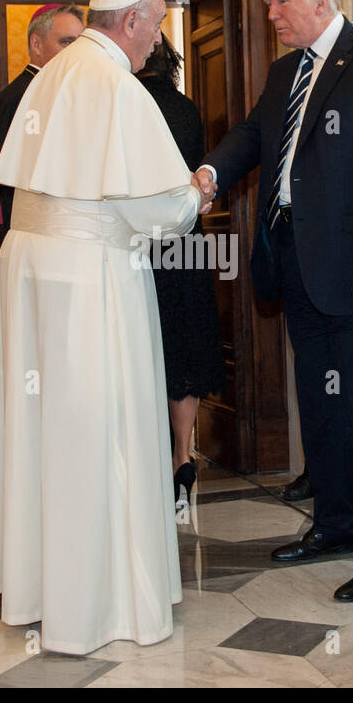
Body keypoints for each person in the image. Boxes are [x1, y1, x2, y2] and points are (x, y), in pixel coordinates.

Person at [0, 0, 209, 654]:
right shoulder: (115, 83)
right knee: (99, 427)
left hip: (34, 266)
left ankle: (44, 588)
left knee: (48, 427)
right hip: (89, 274)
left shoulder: (49, 72)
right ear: (132, 21)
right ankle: (101, 600)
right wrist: (196, 189)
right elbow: (156, 208)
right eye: (157, 24)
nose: (157, 40)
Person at [196, 0, 353, 603]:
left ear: (320, 0)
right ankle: (335, 527)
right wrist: (210, 174)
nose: (272, 15)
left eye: (281, 3)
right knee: (323, 404)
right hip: (297, 262)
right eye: (269, 5)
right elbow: (256, 134)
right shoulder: (287, 69)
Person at [0, 4, 85, 431]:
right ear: (36, 44)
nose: (76, 53)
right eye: (66, 42)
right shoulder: (27, 97)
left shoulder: (51, 92)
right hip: (36, 250)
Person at [137, 36, 225, 508]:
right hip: (184, 243)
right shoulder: (187, 109)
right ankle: (182, 453)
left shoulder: (124, 102)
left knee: (143, 344)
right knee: (185, 348)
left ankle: (146, 460)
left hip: (137, 244)